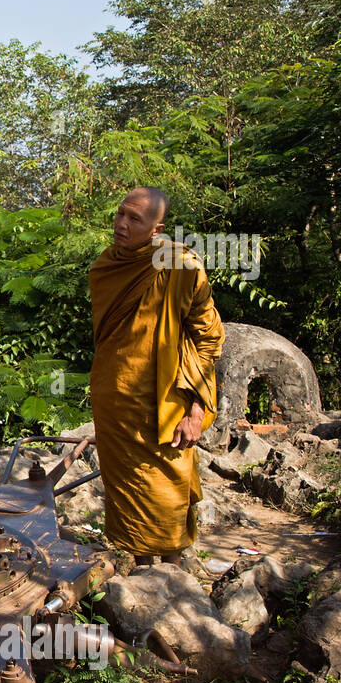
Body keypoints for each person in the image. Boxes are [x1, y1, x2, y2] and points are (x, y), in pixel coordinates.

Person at [89, 187, 225, 566]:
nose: (121, 224)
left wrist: (196, 410)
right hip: (115, 402)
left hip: (165, 405)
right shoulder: (106, 265)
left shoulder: (180, 266)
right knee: (128, 502)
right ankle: (141, 585)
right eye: (120, 214)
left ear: (156, 229)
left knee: (166, 494)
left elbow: (209, 339)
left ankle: (174, 580)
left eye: (135, 219)